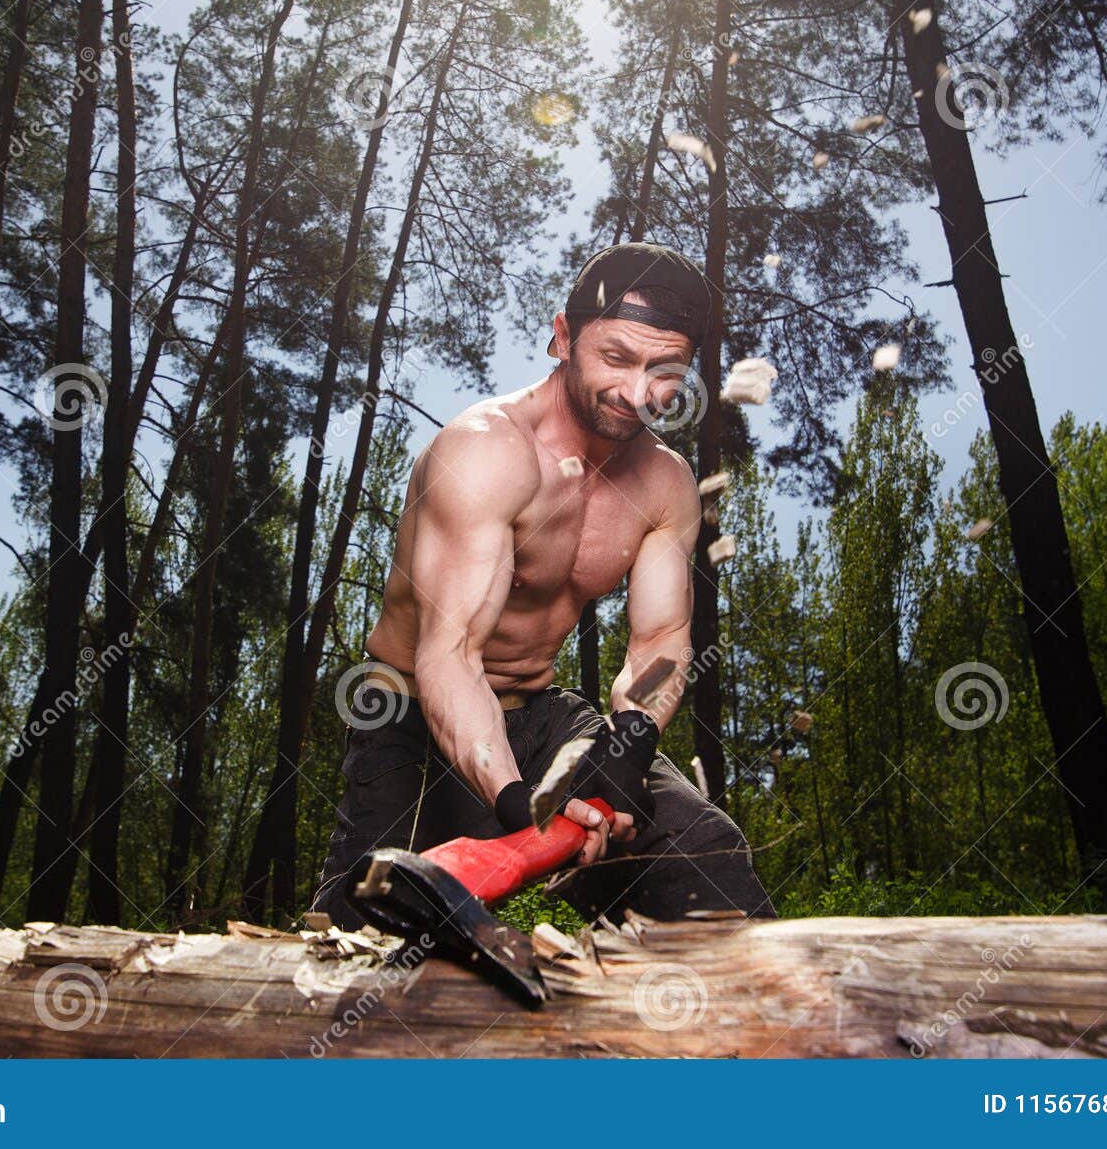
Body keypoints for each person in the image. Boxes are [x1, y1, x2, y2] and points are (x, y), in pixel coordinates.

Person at [310, 241, 776, 928]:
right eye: (615, 358)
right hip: (412, 707)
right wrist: (519, 806)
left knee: (704, 850)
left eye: (664, 371)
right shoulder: (485, 452)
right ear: (563, 337)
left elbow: (661, 639)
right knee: (368, 932)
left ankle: (645, 962)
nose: (636, 392)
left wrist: (632, 737)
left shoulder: (665, 483)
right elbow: (450, 656)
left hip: (538, 710)